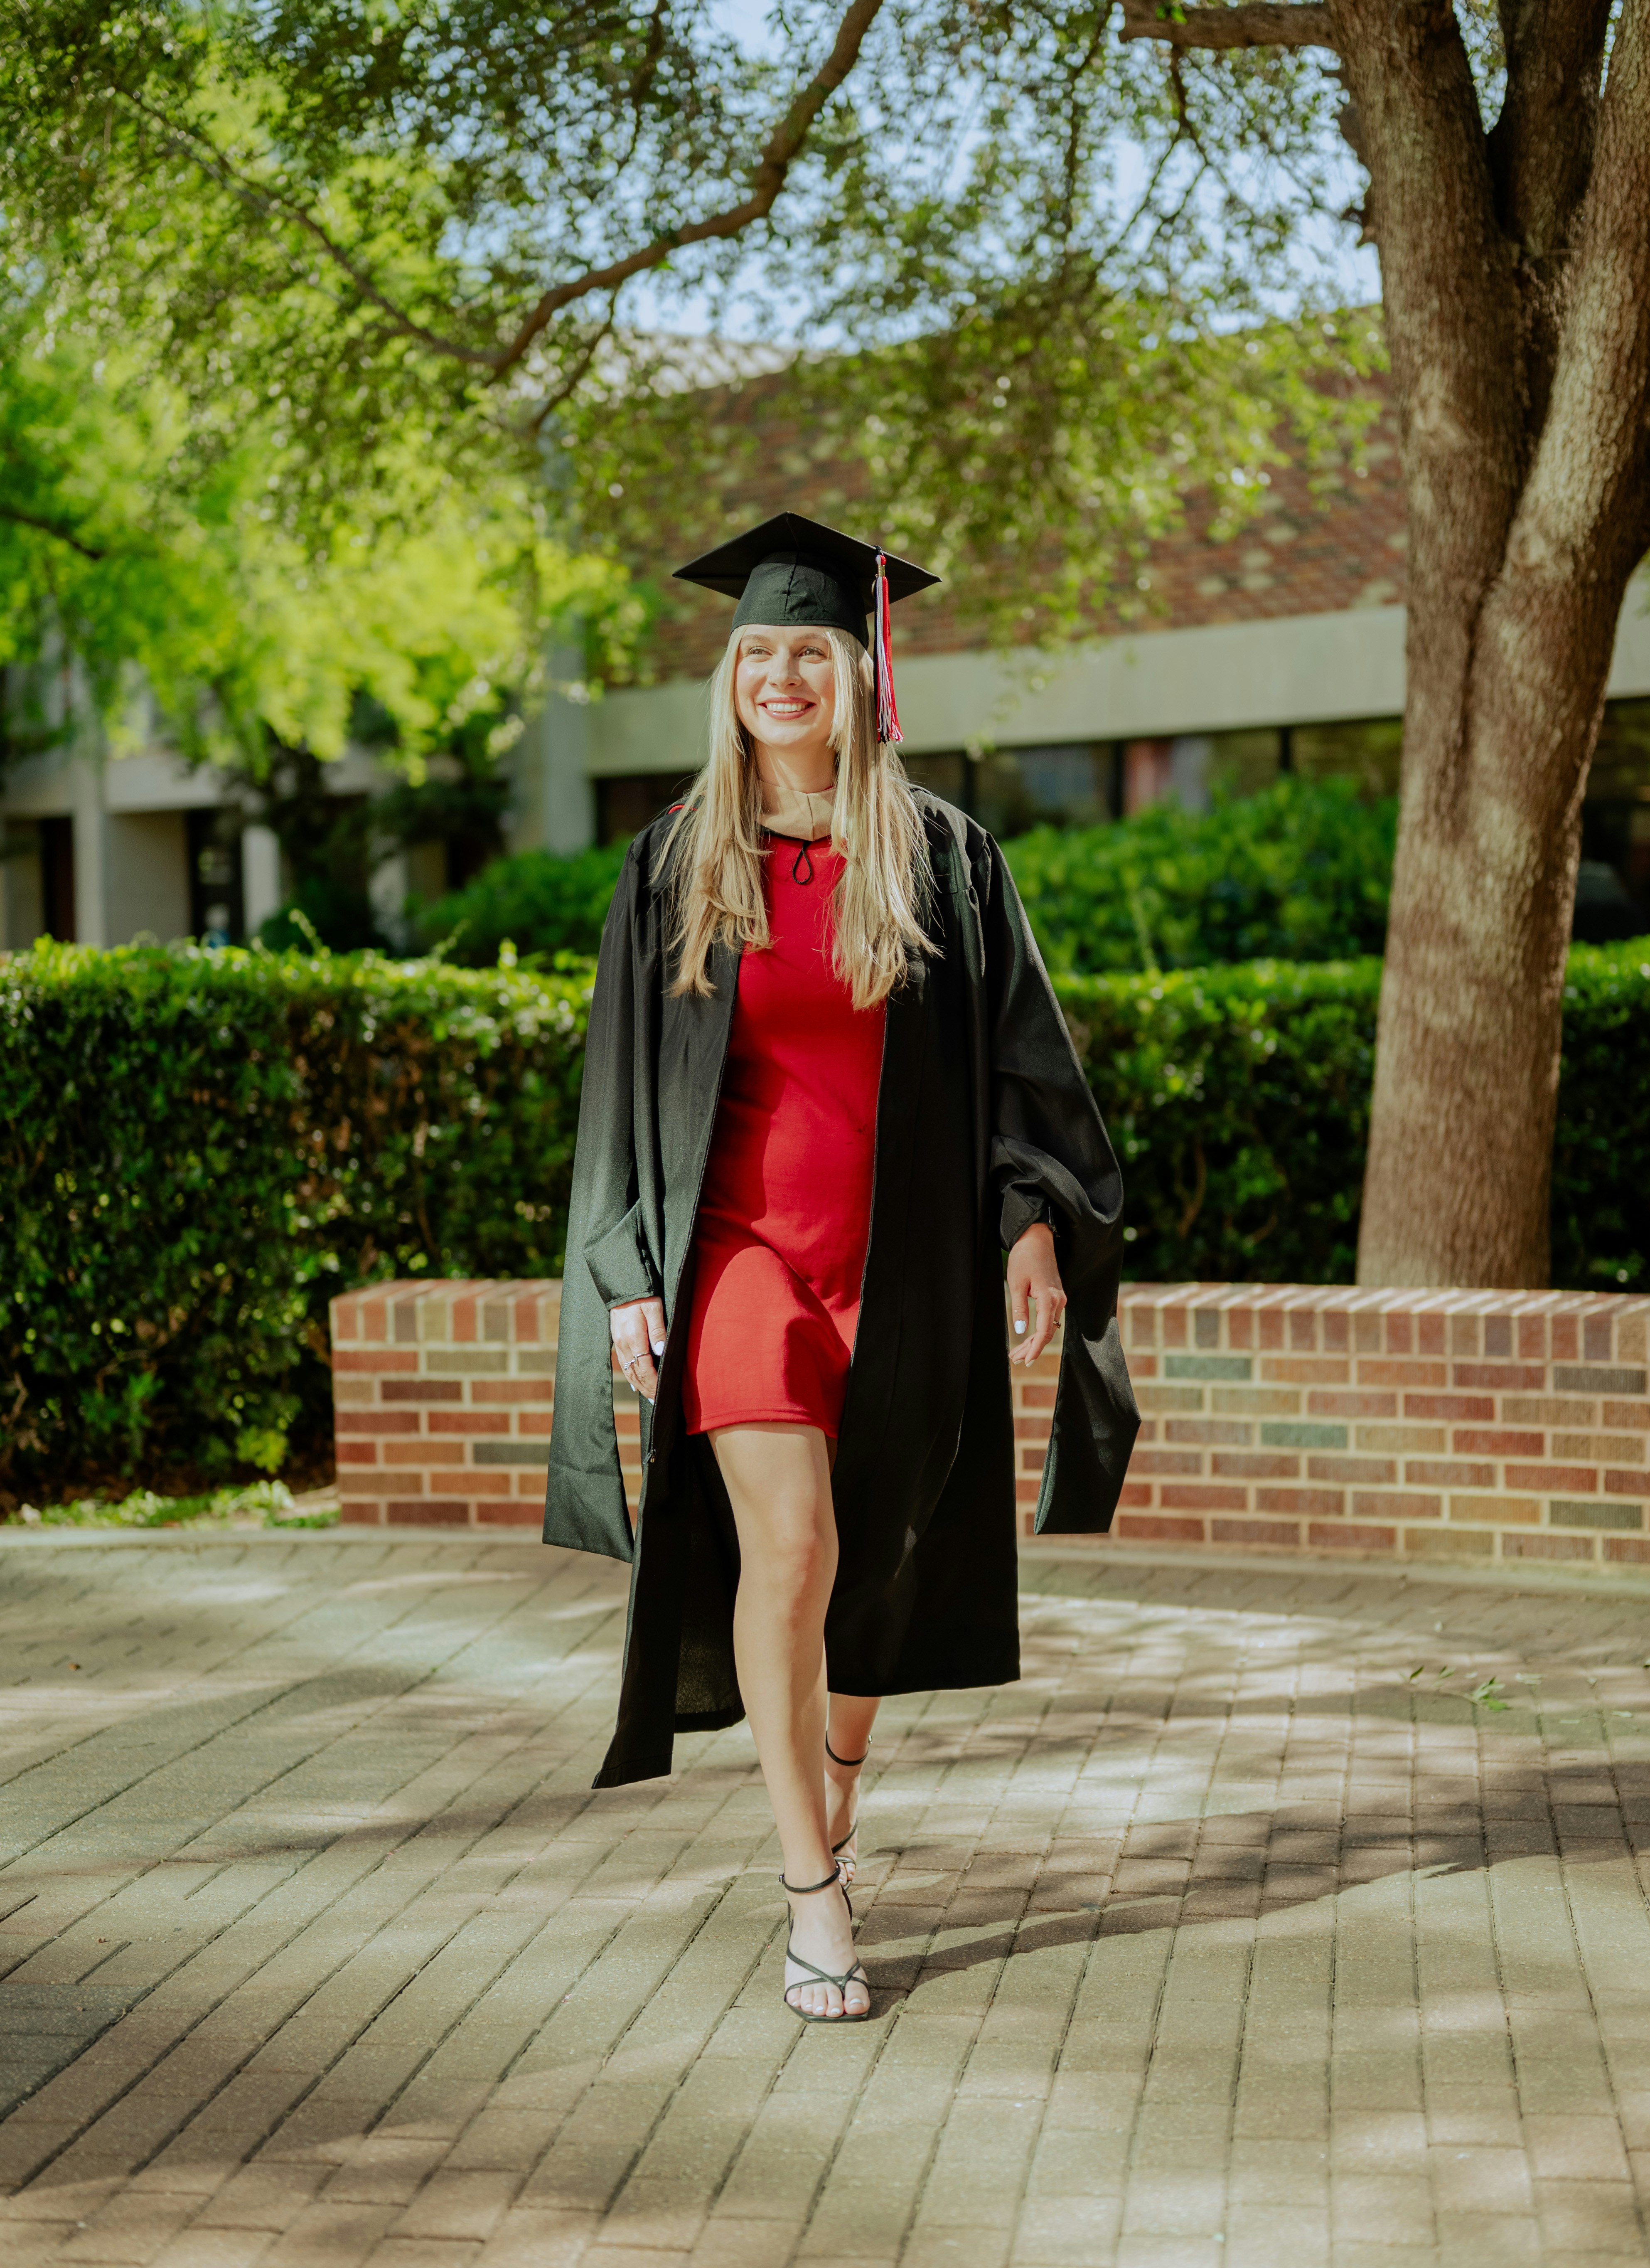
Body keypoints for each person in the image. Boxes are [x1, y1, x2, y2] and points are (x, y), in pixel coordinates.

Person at [543, 512, 1138, 2022]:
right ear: (731, 676)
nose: (785, 672)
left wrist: (1029, 1225)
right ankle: (812, 1892)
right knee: (792, 1548)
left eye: (812, 646)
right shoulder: (674, 863)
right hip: (738, 1259)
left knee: (878, 1558)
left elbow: (1025, 1075)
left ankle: (839, 1783)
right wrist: (627, 1273)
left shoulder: (941, 860)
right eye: (761, 651)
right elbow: (617, 1086)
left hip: (902, 1271)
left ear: (861, 668)